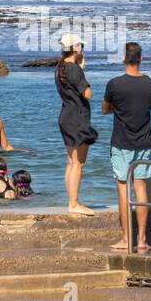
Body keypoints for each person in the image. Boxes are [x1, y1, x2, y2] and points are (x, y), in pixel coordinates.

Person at [103, 41, 151, 252]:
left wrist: (118, 106)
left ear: (123, 59)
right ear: (141, 58)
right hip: (143, 141)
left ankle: (126, 239)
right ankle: (142, 239)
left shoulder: (115, 84)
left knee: (123, 188)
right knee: (141, 187)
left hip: (122, 141)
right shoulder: (149, 83)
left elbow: (105, 109)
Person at [55, 33, 97, 215]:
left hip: (66, 116)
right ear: (76, 49)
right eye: (82, 47)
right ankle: (74, 204)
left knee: (70, 162)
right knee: (78, 163)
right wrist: (82, 70)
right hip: (77, 118)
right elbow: (88, 94)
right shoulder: (74, 69)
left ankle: (71, 201)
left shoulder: (60, 68)